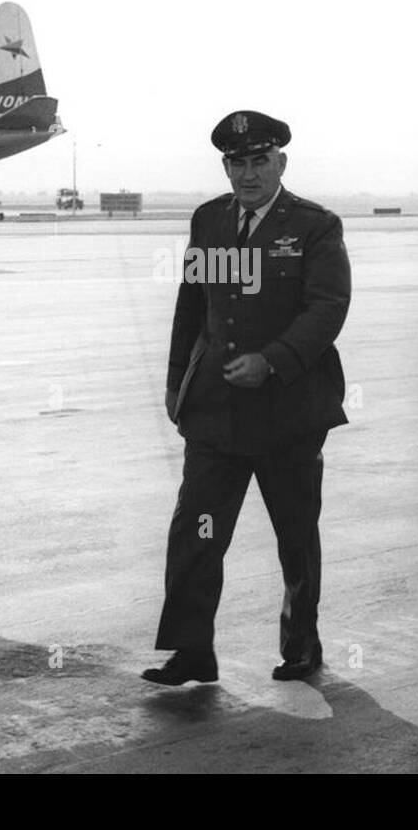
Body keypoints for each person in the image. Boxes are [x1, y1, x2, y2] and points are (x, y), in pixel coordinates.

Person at [143, 110, 352, 686]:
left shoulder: (314, 225)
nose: (249, 173)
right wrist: (174, 381)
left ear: (280, 163)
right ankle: (191, 651)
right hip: (215, 410)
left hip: (288, 409)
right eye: (238, 162)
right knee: (197, 528)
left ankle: (301, 643)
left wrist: (273, 360)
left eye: (260, 161)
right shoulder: (209, 220)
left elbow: (328, 308)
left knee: (294, 534)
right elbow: (192, 306)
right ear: (226, 166)